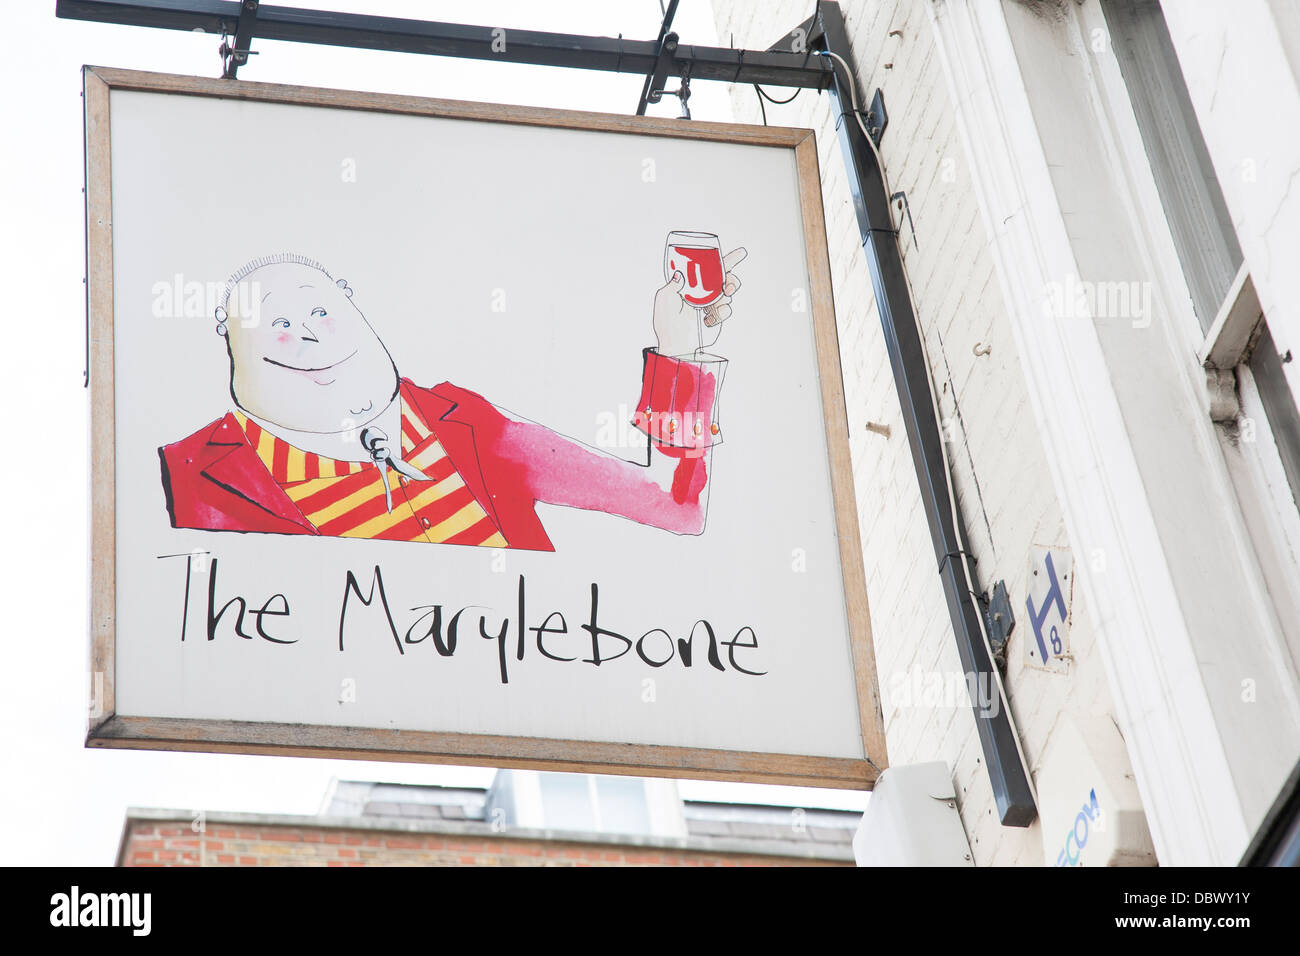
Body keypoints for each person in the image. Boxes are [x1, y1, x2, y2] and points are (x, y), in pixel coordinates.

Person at [159, 248, 745, 552]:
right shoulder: (193, 476)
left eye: (320, 311)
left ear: (350, 304)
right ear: (234, 343)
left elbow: (675, 505)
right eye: (278, 324)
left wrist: (678, 354)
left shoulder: (460, 420)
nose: (311, 336)